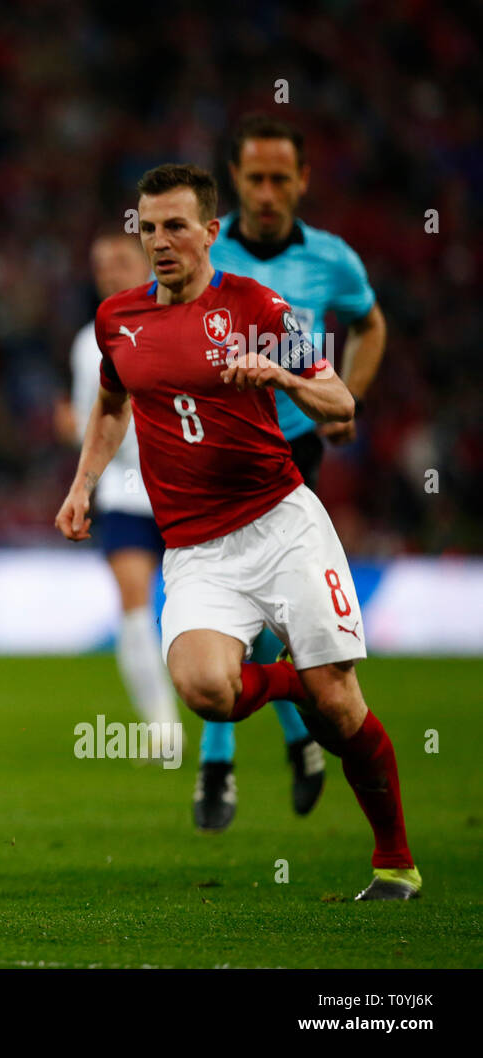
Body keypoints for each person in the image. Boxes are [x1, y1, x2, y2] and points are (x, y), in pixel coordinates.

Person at [55, 163, 418, 900]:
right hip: (195, 548)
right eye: (148, 227)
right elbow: (111, 404)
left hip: (281, 526)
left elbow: (340, 401)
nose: (160, 241)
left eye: (176, 226)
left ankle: (394, 863)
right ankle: (300, 684)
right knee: (204, 687)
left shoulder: (253, 304)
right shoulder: (117, 319)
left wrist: (281, 377)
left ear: (210, 232)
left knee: (345, 709)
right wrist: (82, 484)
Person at [193, 113, 388, 831]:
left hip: (290, 446)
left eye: (281, 178)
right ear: (234, 182)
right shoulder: (204, 254)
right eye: (255, 178)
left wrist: (349, 399)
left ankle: (220, 764)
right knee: (216, 596)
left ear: (303, 180)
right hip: (209, 445)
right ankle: (294, 739)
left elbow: (371, 324)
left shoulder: (333, 260)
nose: (268, 192)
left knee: (260, 599)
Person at [57, 234, 177, 742]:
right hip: (126, 494)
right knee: (133, 603)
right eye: (99, 264)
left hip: (183, 490)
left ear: (149, 264)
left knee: (210, 607)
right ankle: (163, 729)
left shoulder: (179, 326)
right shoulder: (90, 341)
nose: (108, 272)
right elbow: (91, 421)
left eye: (120, 261)